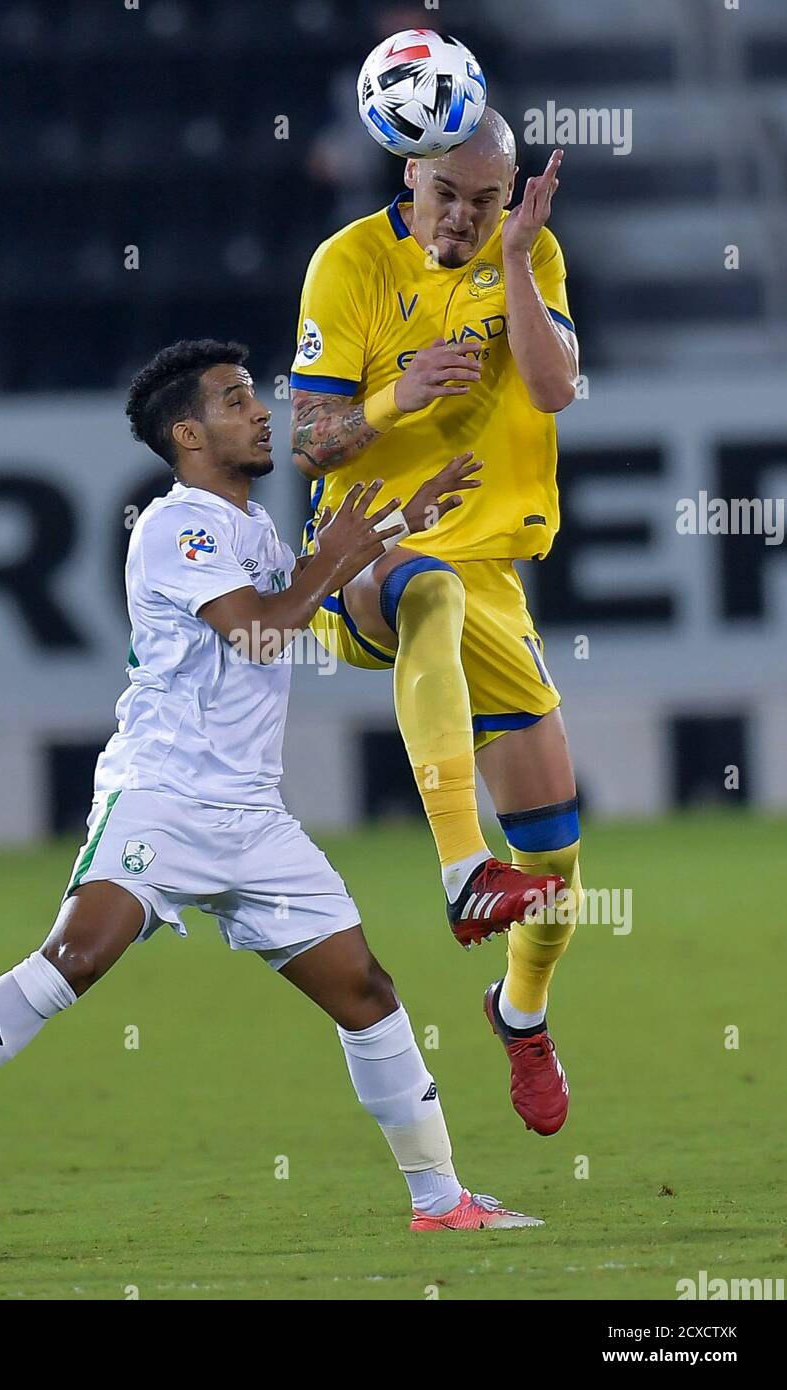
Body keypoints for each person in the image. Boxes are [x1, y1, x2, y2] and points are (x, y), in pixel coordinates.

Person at [0, 339, 552, 1231]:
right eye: (234, 400)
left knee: (366, 994)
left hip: (254, 817)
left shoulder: (252, 530)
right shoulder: (175, 525)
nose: (260, 412)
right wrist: (339, 555)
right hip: (164, 795)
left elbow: (301, 595)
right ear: (186, 434)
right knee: (76, 958)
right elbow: (258, 632)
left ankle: (441, 1200)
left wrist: (393, 525)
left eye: (254, 396)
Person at [290, 109, 581, 1137]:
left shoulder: (530, 253)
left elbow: (553, 388)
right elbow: (308, 442)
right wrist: (394, 398)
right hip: (364, 543)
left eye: (484, 201)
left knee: (555, 871)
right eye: (445, 194)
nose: (460, 216)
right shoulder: (347, 262)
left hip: (487, 565)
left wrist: (515, 258)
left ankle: (520, 1014)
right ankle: (463, 869)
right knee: (427, 592)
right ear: (409, 176)